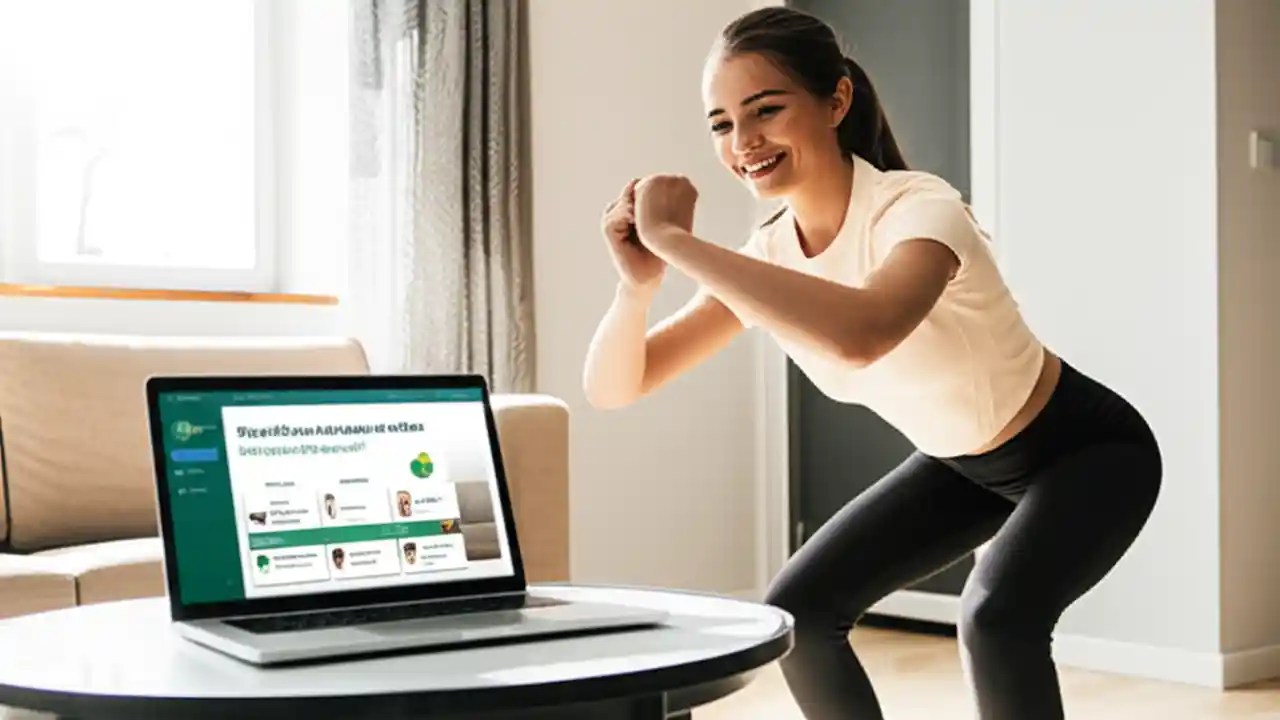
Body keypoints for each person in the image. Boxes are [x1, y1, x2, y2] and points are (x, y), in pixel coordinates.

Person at [582, 7, 1162, 720]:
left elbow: (865, 333)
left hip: (1085, 450)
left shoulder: (920, 209)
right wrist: (636, 284)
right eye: (722, 124)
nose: (743, 142)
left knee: (997, 619)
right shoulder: (768, 254)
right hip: (964, 466)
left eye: (766, 110)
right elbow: (618, 385)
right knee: (800, 613)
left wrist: (673, 240)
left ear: (836, 101)